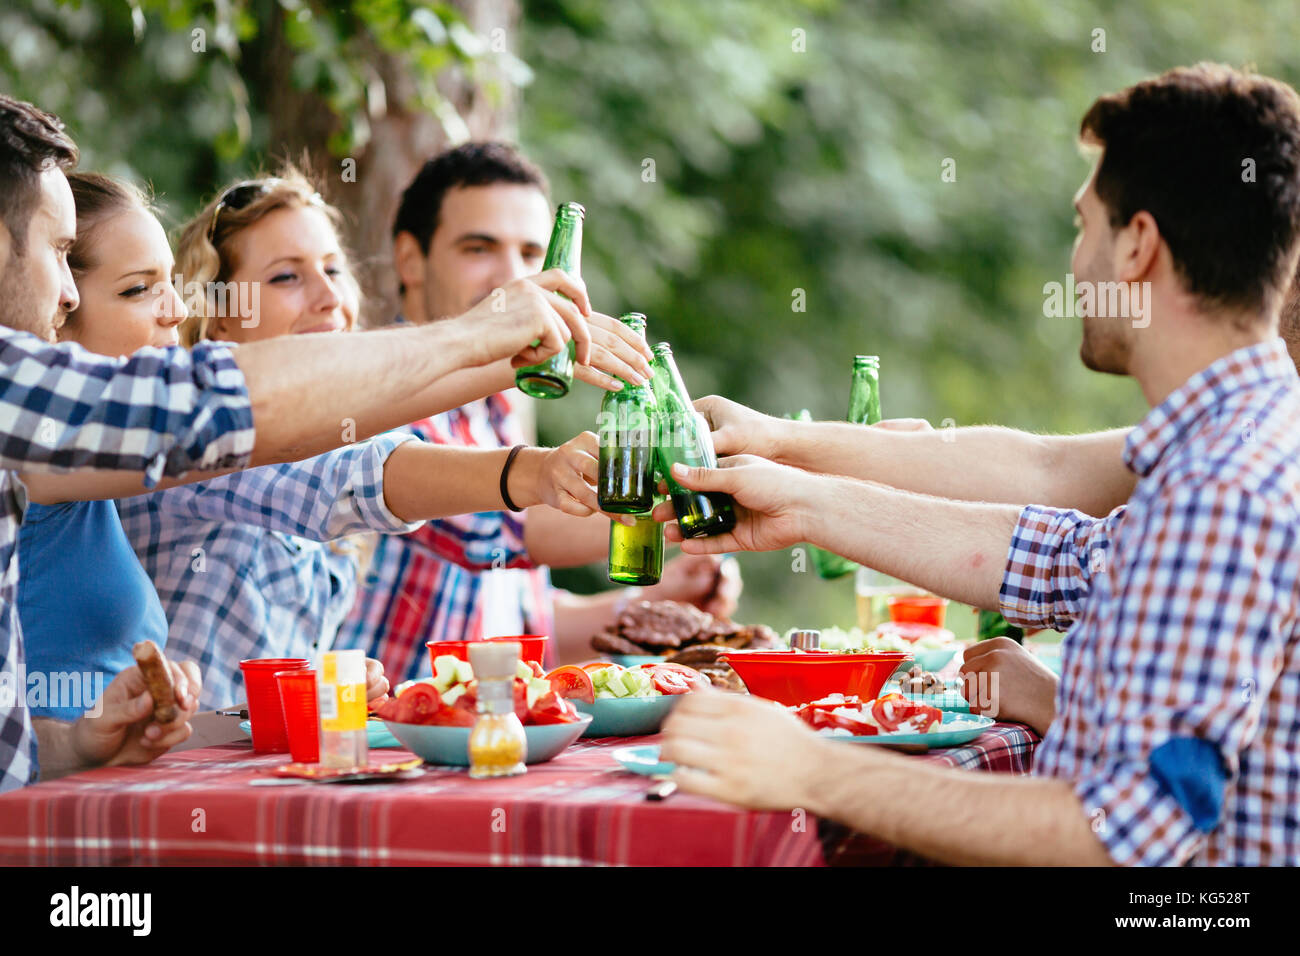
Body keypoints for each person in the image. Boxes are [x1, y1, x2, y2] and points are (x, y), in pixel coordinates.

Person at [660, 64, 1300, 866]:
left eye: (1084, 225)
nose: (1077, 262)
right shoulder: (1243, 440)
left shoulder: (1221, 489)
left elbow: (1112, 839)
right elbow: (1056, 549)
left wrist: (812, 769)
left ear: (1137, 244)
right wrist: (801, 499)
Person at [0, 94, 606, 791]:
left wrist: (518, 350)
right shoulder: (56, 421)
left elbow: (321, 438)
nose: (69, 295)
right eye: (60, 251)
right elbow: (317, 462)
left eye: (331, 268)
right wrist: (501, 376)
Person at [335, 143, 742, 683]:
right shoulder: (375, 387)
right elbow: (513, 524)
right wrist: (689, 501)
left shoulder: (499, 404)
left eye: (531, 255)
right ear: (410, 258)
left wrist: (658, 599)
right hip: (381, 744)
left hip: (486, 736)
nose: (516, 280)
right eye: (479, 248)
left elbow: (523, 619)